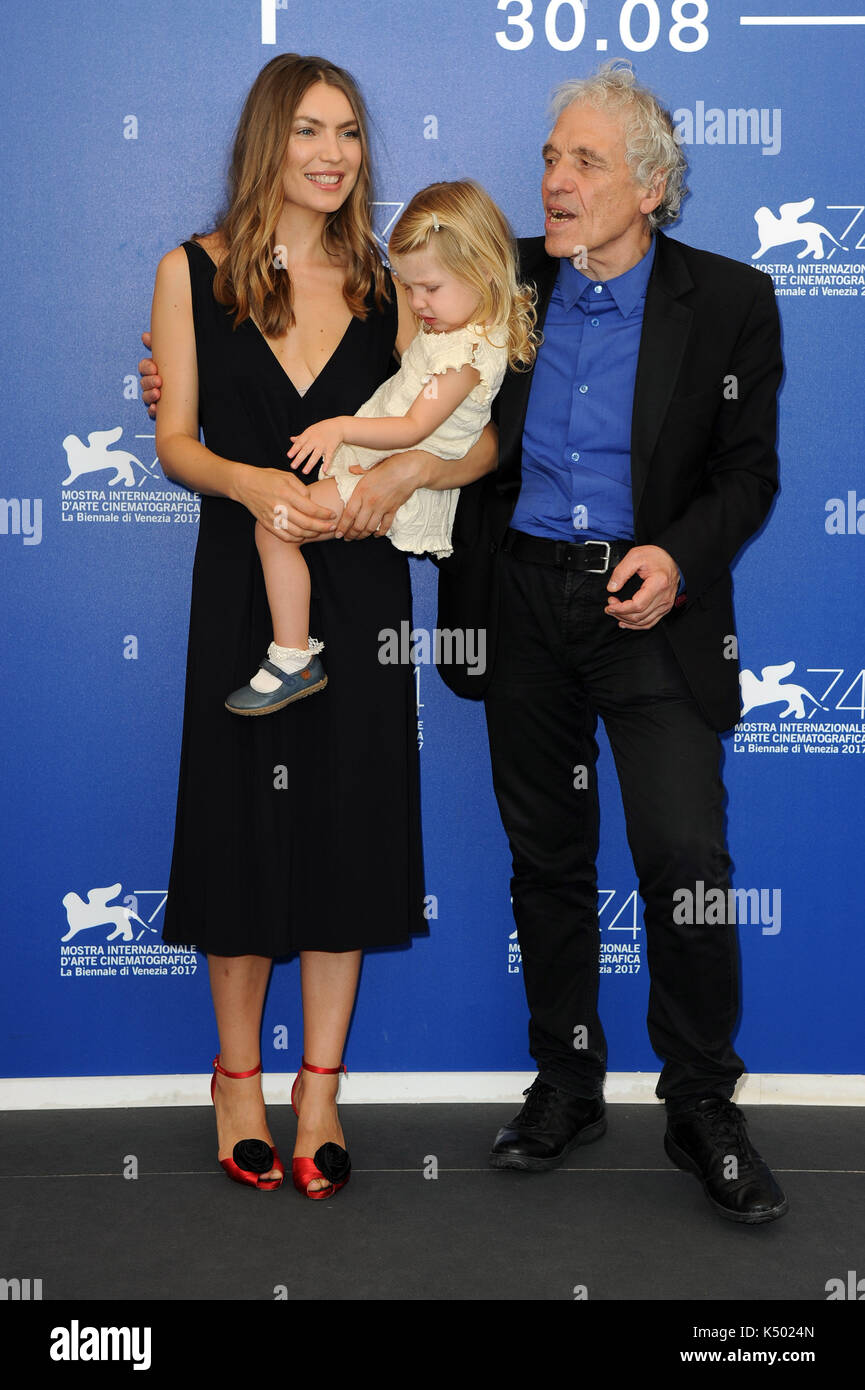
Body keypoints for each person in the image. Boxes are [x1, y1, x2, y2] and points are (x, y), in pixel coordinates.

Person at [435, 60, 788, 1223]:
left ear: (649, 184)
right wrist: (190, 388)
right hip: (524, 603)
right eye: (549, 157)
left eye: (583, 160)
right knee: (548, 862)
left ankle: (700, 1104)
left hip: (654, 615)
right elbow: (399, 353)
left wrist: (676, 556)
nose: (555, 179)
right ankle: (568, 1080)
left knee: (686, 861)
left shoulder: (730, 301)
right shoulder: (509, 282)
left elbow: (747, 475)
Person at [145, 53, 496, 1197]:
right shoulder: (190, 272)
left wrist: (396, 484)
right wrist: (253, 488)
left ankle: (321, 1092)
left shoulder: (400, 283)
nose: (333, 153)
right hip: (244, 584)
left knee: (347, 829)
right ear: (267, 140)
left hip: (359, 589)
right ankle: (237, 1081)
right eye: (308, 130)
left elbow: (476, 435)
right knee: (243, 830)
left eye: (348, 132)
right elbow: (177, 439)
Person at [225, 179, 536, 715]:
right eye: (409, 287)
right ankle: (293, 653)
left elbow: (414, 427)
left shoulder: (464, 357)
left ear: (484, 272)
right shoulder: (460, 332)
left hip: (391, 478)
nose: (415, 303)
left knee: (273, 526)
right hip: (382, 469)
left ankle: (293, 657)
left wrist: (339, 427)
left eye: (430, 289)